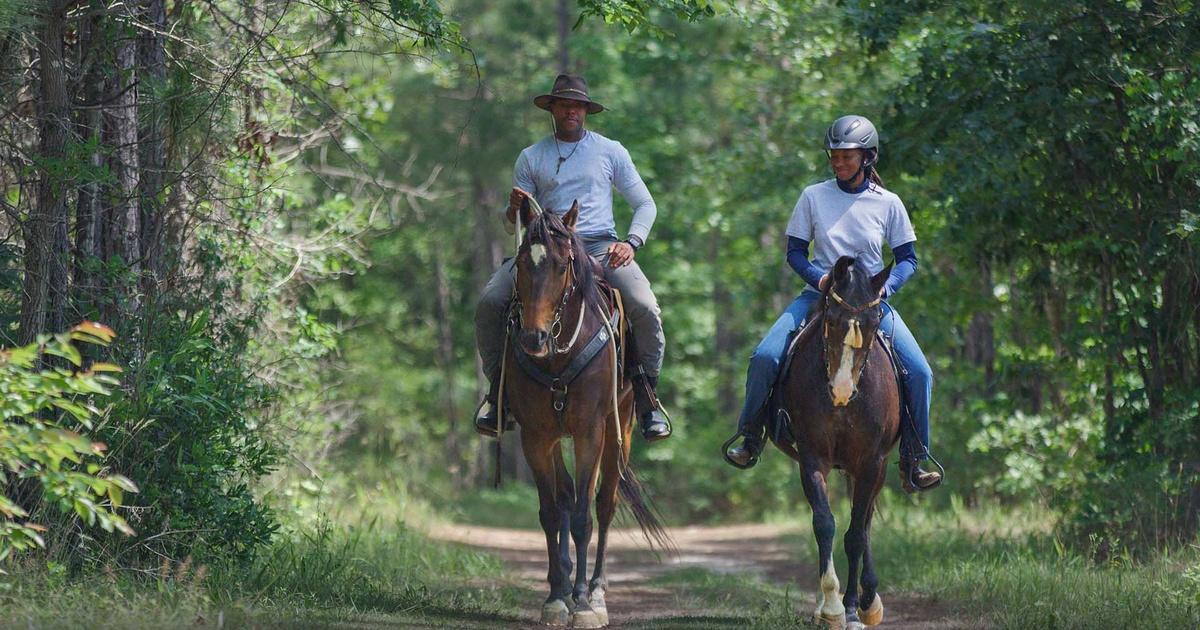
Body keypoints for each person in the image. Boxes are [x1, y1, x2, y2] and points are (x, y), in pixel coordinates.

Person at [724, 115, 941, 492]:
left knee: (920, 372)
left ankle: (915, 456)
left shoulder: (888, 203)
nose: (838, 163)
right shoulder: (813, 196)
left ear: (867, 158)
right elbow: (794, 252)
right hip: (820, 296)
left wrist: (886, 287)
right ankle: (750, 436)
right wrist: (819, 279)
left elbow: (908, 258)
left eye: (847, 157)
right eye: (834, 157)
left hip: (870, 302)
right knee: (764, 356)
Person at [473, 74, 671, 442]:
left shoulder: (611, 151)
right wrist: (513, 209)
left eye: (578, 105)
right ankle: (498, 393)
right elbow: (512, 224)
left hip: (600, 246)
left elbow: (645, 203)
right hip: (547, 250)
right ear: (552, 108)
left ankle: (647, 396)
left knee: (644, 306)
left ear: (586, 111)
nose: (571, 111)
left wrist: (632, 242)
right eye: (564, 104)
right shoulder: (531, 157)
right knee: (490, 302)